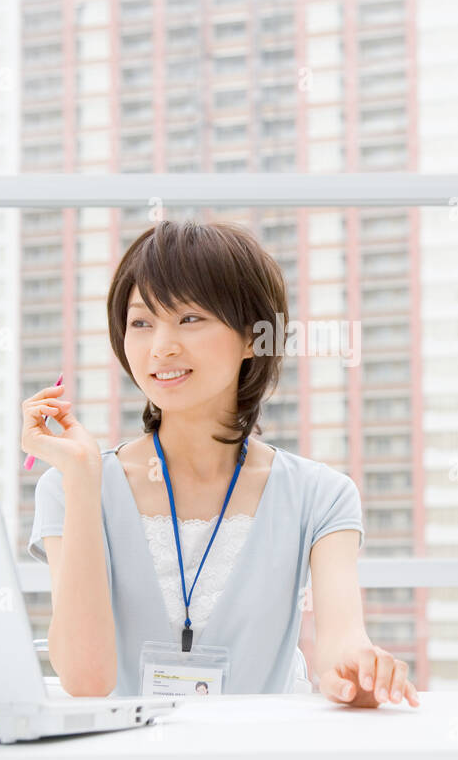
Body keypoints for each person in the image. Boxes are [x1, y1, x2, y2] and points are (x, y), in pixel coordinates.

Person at [21, 219, 419, 708]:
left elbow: (341, 642)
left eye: (190, 319)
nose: (161, 346)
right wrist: (82, 481)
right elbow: (85, 680)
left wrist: (357, 671)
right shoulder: (71, 486)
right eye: (142, 322)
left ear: (254, 336)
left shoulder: (321, 495)